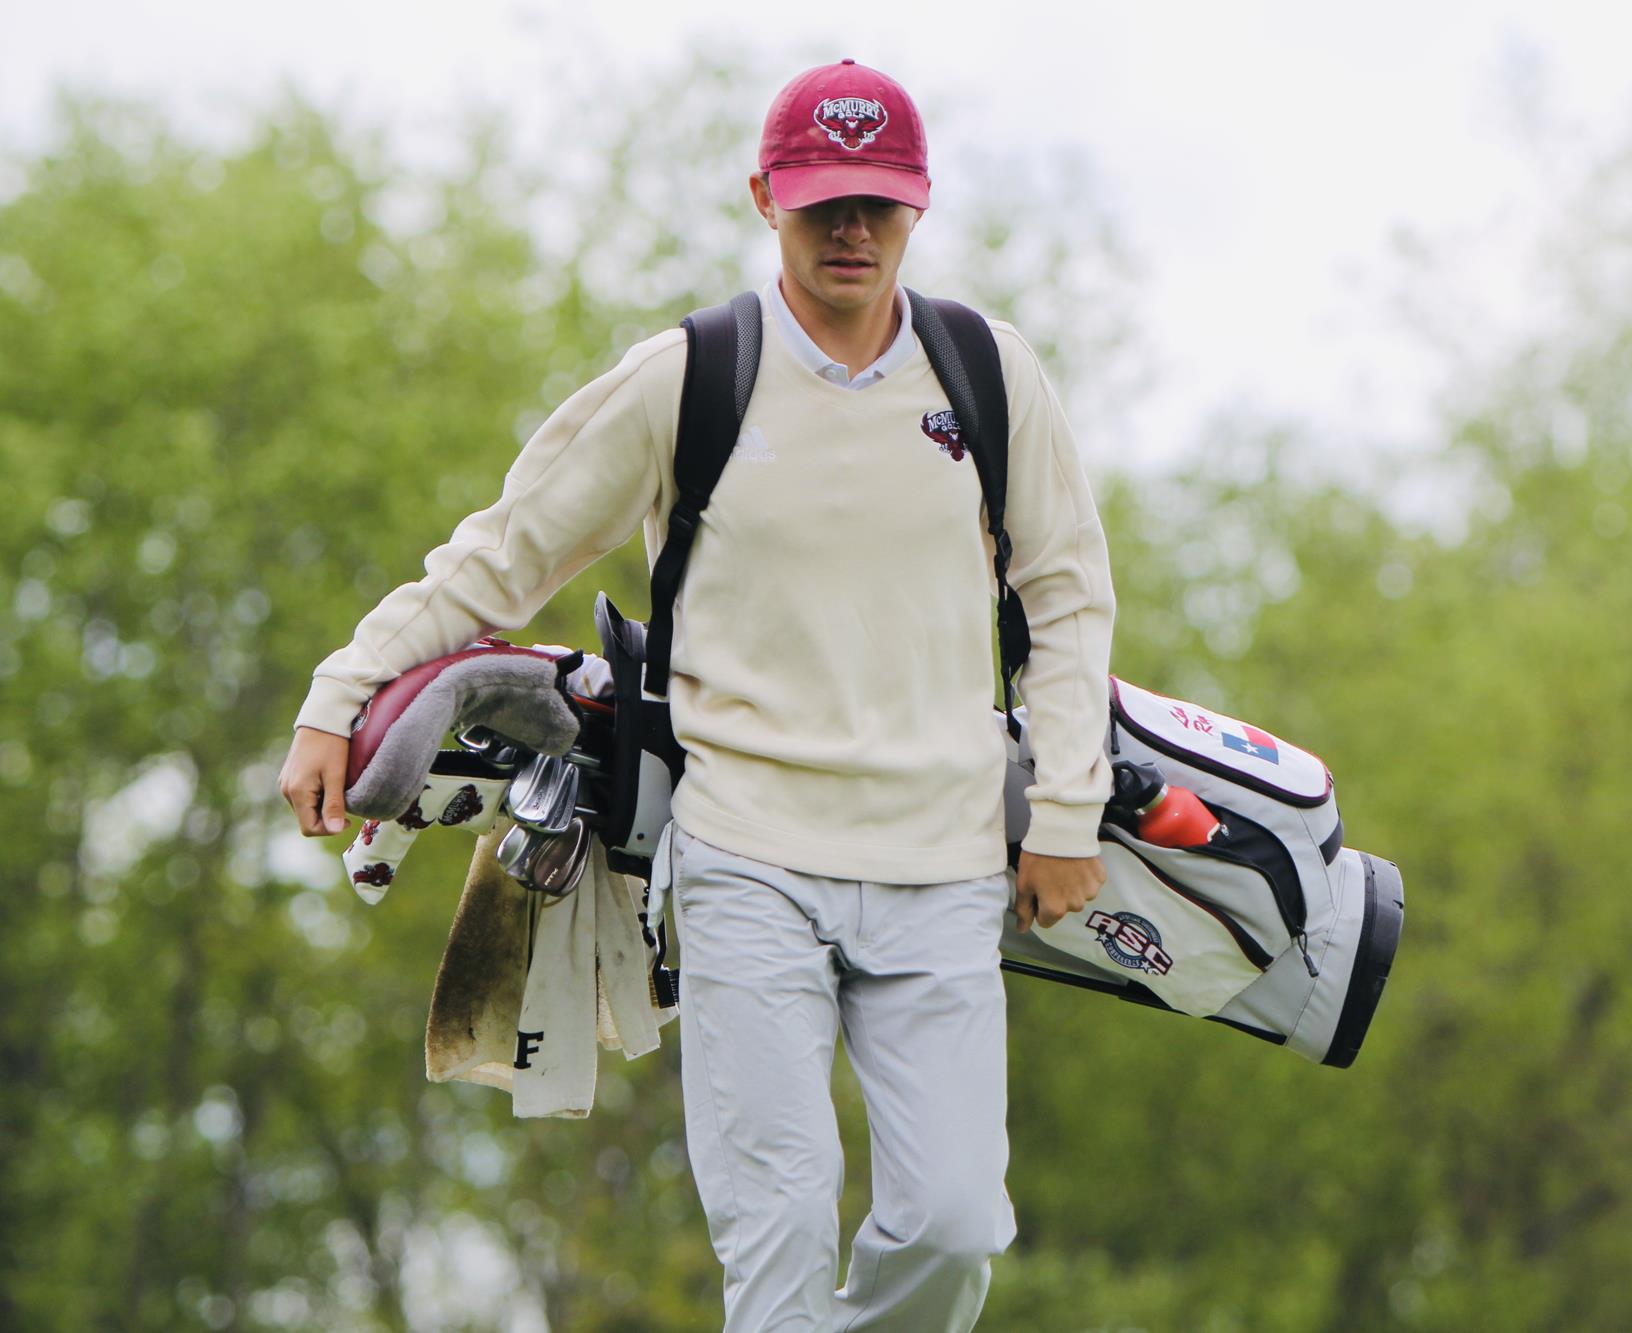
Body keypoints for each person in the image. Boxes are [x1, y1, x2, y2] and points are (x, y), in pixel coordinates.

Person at [277, 57, 1115, 1330]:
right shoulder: (690, 376)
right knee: (776, 1231)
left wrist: (1064, 812)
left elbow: (1063, 599)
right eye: (821, 200)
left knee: (949, 1230)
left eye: (877, 204)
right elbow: (500, 555)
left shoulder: (987, 377)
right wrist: (340, 695)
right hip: (745, 862)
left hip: (941, 860)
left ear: (918, 206)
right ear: (762, 196)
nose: (850, 229)